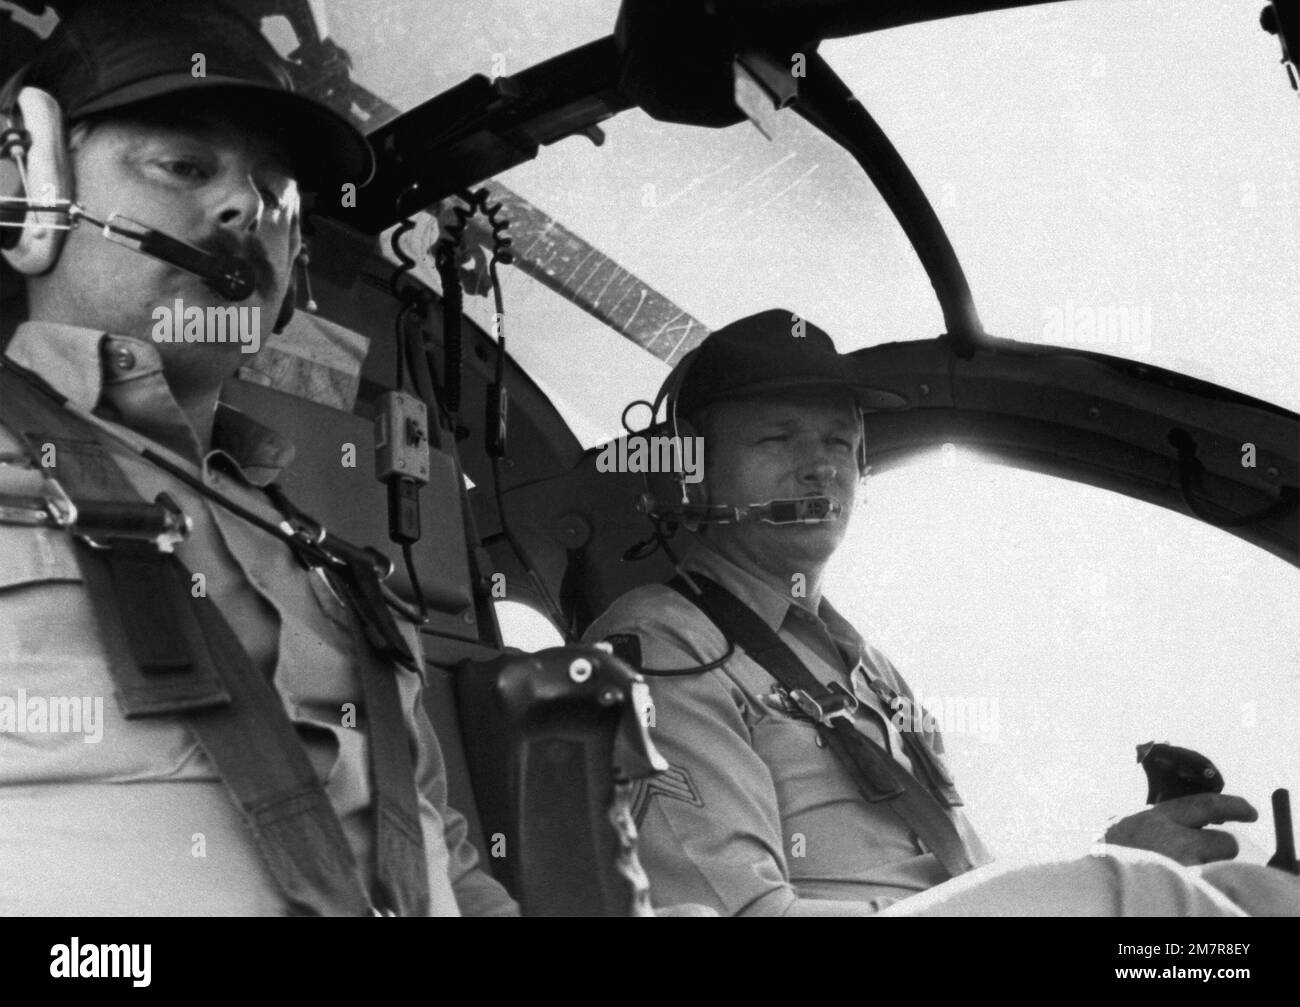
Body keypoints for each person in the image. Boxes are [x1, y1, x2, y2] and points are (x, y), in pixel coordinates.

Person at [0, 0, 515, 916]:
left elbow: (451, 868)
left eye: (278, 192)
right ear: (30, 186)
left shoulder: (334, 565)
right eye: (184, 165)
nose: (249, 207)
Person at [584, 308, 1299, 916]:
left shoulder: (868, 670)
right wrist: (1113, 882)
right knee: (1148, 897)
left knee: (1251, 894)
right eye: (776, 438)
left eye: (838, 440)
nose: (820, 465)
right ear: (690, 471)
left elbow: (965, 880)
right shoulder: (662, 643)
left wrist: (1112, 851)